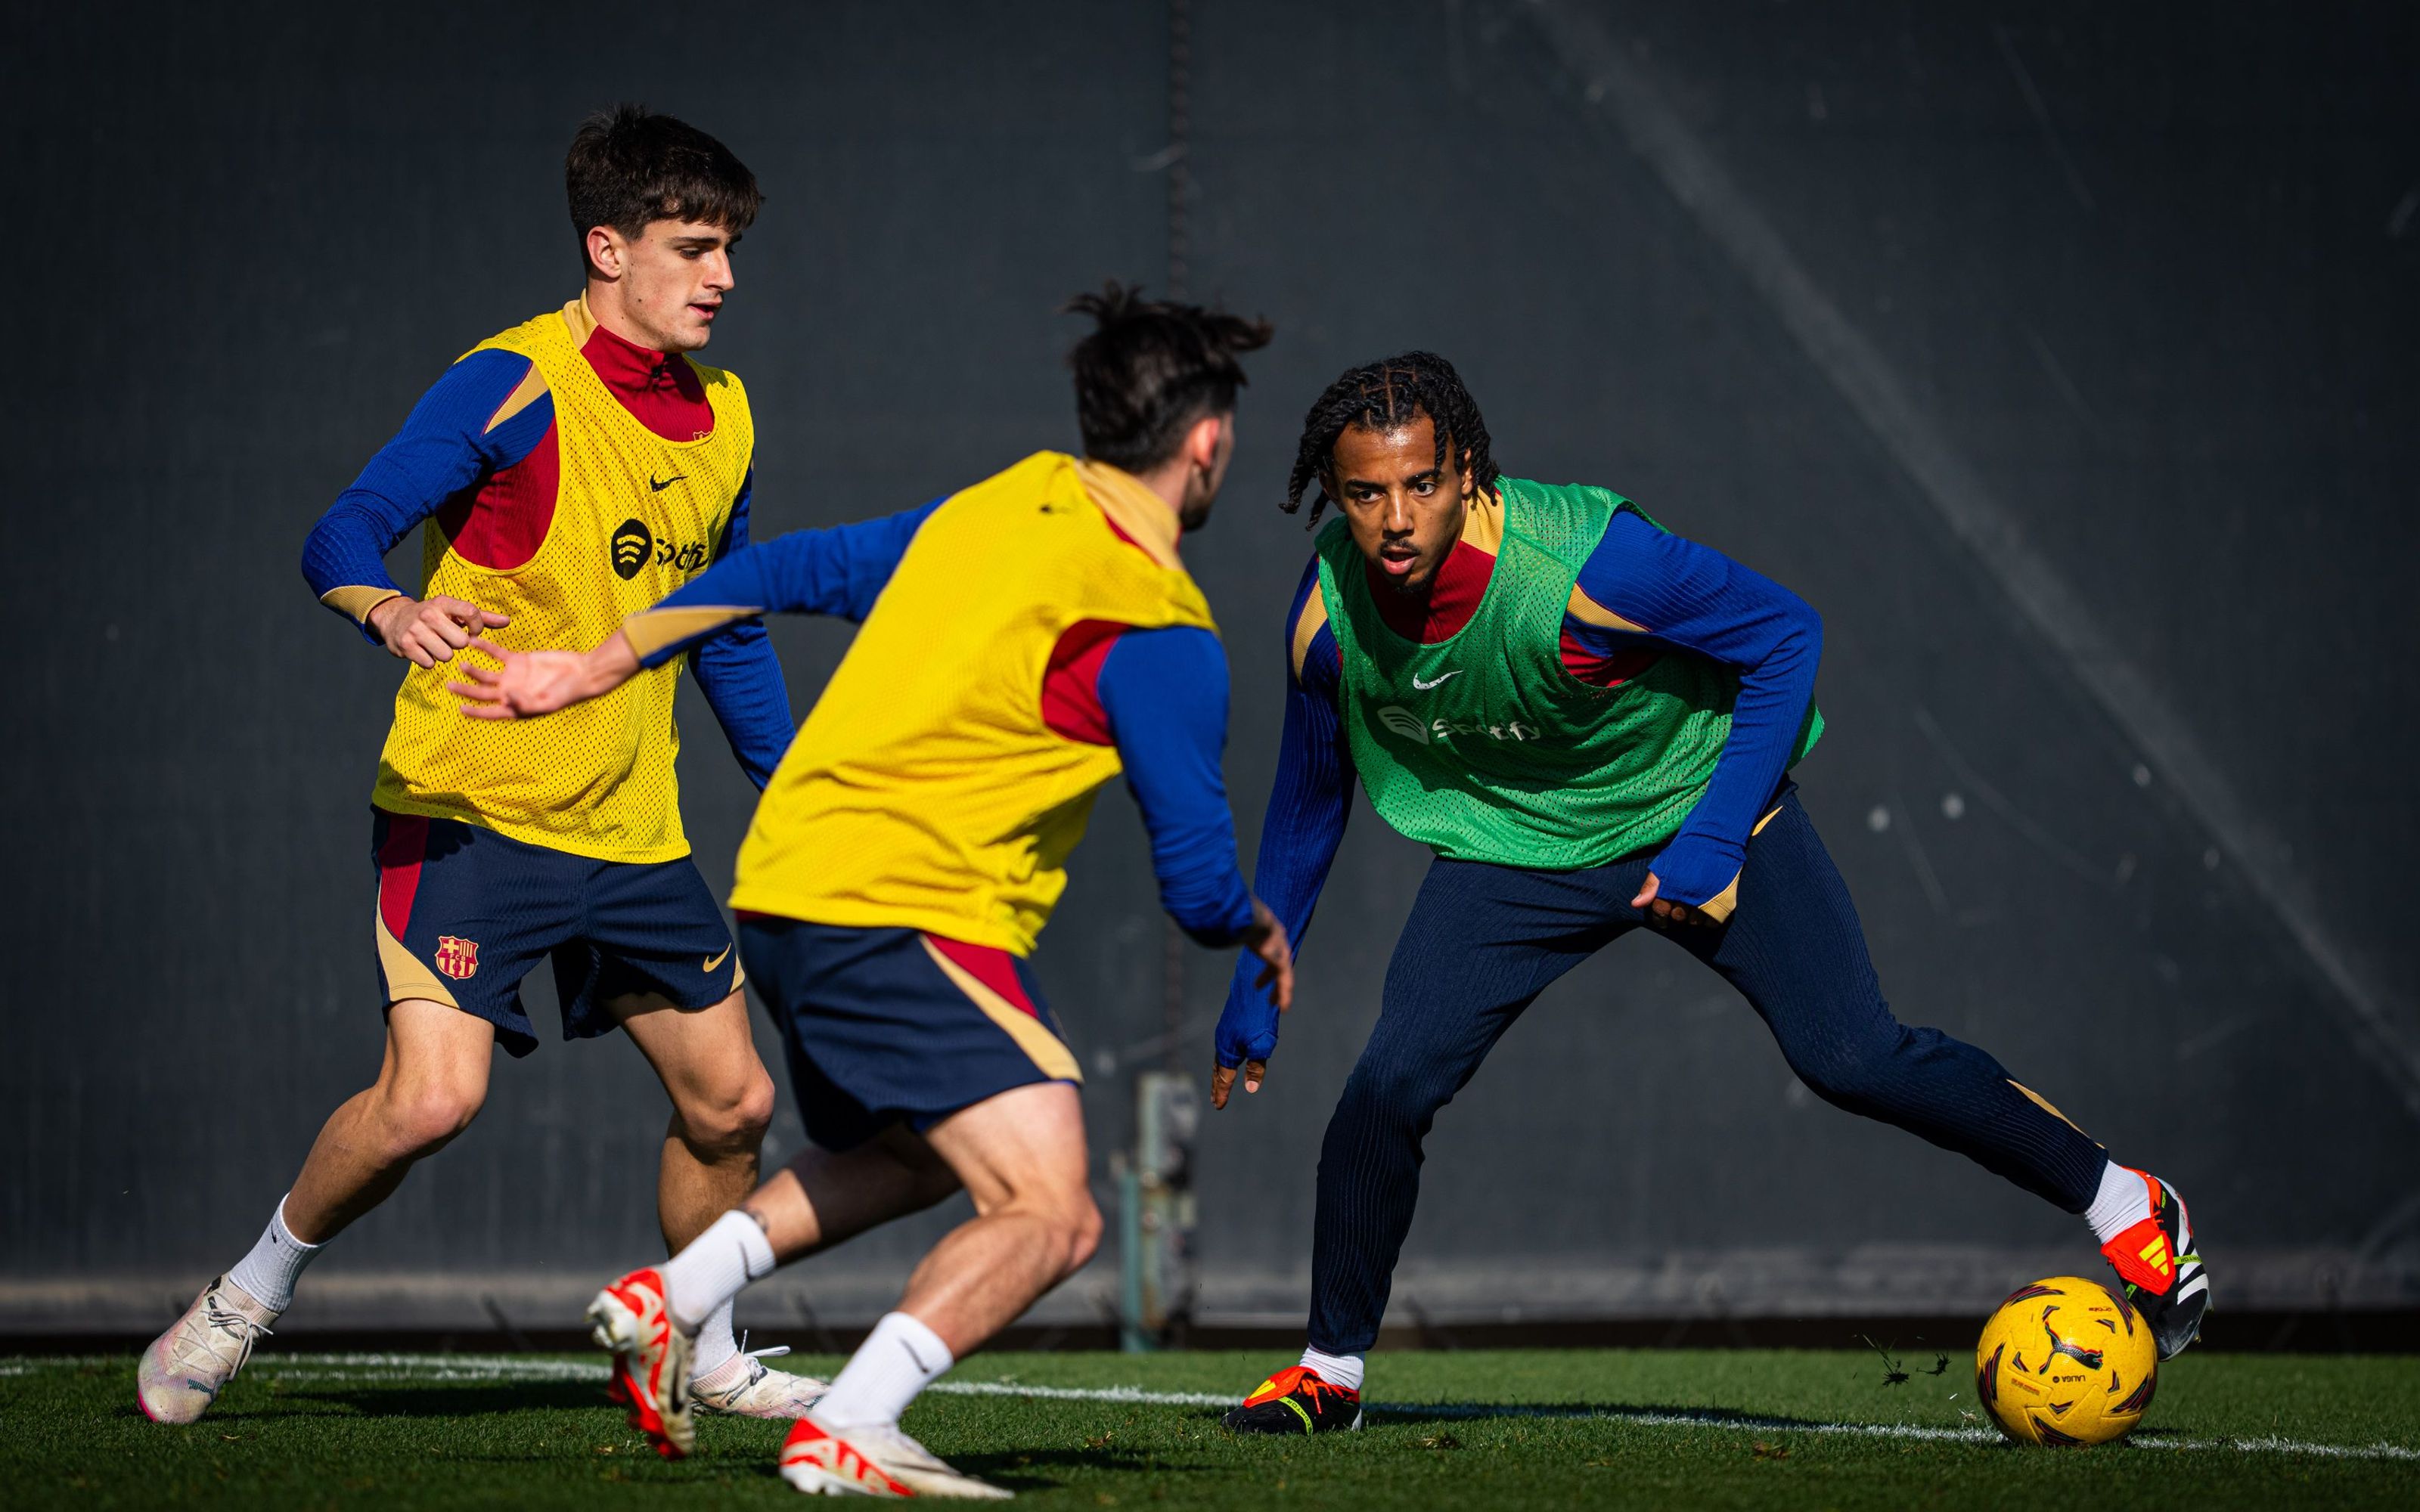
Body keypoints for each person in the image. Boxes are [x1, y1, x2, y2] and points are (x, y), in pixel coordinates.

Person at [1212, 353, 2211, 1434]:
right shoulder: (1327, 617)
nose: (1398, 518)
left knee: (1853, 1057)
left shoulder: (1589, 566)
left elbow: (1787, 636)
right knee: (1388, 1084)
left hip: (1699, 809)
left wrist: (1715, 839)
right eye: (1367, 493)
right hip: (1517, 846)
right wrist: (1262, 961)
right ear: (1334, 492)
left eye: (1422, 484)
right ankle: (1329, 1371)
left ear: (1467, 474)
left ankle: (2126, 1201)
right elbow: (1312, 792)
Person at [456, 286, 1292, 1497]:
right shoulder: (1160, 623)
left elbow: (775, 567)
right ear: (1206, 442)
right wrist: (1262, 933)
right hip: (906, 913)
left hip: (782, 890)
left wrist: (592, 665)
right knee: (1055, 1211)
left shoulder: (1000, 506)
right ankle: (852, 1421)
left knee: (914, 1156)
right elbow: (1201, 892)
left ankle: (670, 1298)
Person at [138, 105, 820, 1426]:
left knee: (733, 1103)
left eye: (730, 249)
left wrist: (792, 782)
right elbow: (342, 533)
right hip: (472, 814)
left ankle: (704, 1354)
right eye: (695, 249)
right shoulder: (510, 383)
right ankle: (245, 1297)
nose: (725, 277)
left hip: (633, 830)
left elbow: (724, 628)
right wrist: (390, 609)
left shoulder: (726, 415)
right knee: (430, 1105)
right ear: (608, 249)